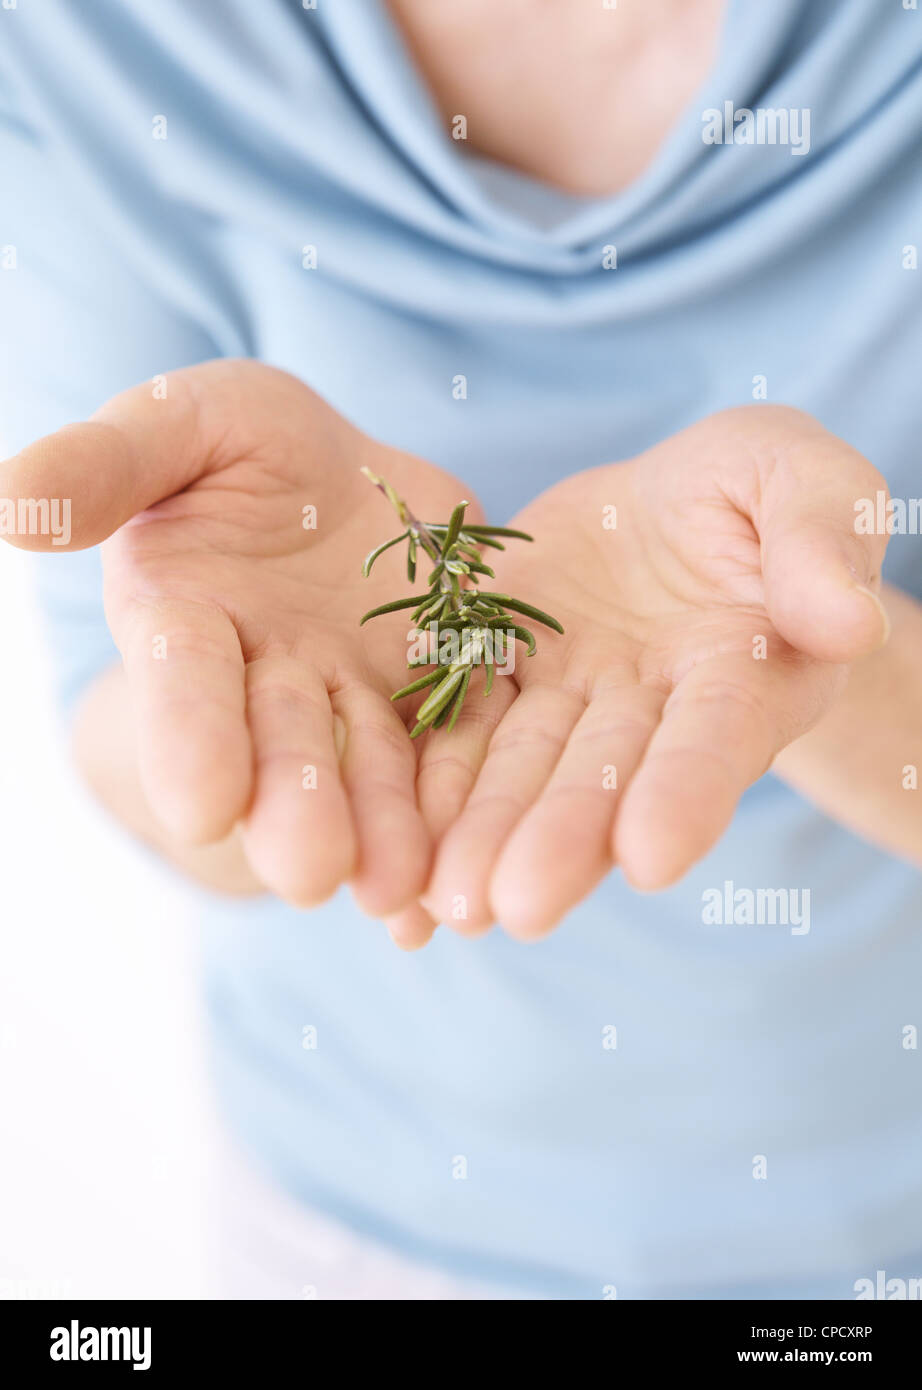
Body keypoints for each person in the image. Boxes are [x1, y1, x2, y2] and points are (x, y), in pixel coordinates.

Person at [1, 0, 920, 1300]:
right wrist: (255, 762)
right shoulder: (97, 35)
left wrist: (821, 648)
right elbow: (123, 739)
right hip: (354, 1219)